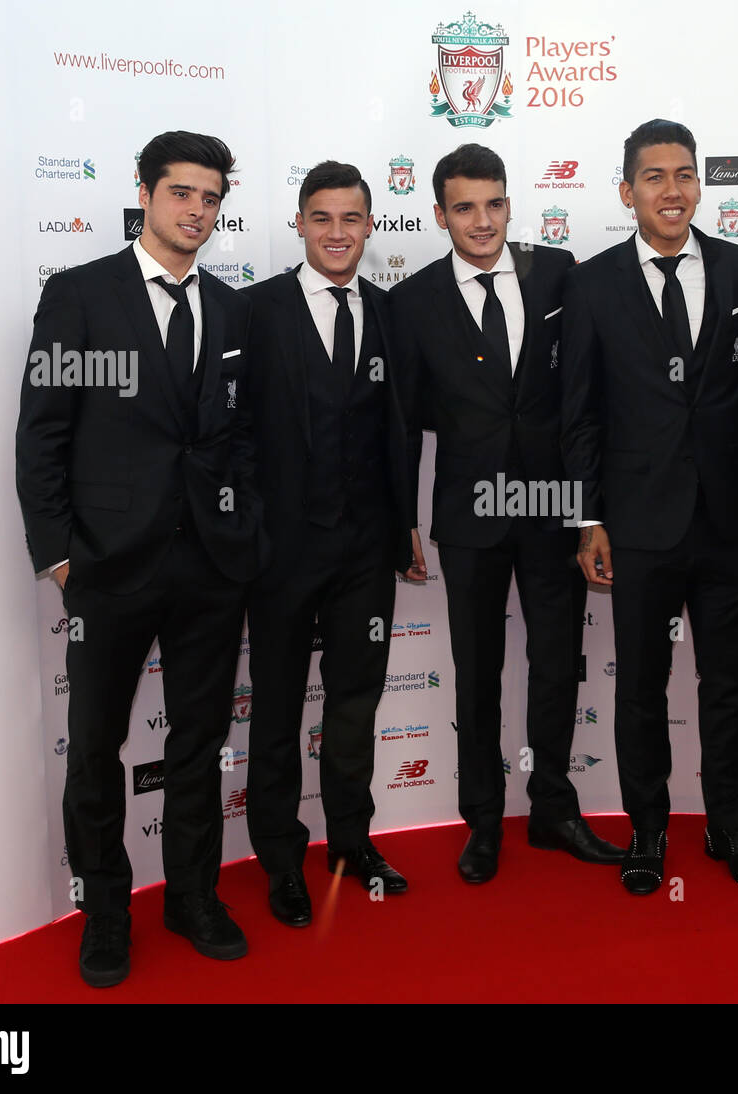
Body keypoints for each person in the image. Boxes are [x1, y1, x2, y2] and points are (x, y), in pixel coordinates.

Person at [16, 131, 263, 986]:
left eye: (211, 198)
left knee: (200, 742)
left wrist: (244, 538)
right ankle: (106, 912)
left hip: (210, 570)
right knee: (94, 748)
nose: (197, 211)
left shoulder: (232, 311)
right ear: (145, 193)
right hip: (109, 568)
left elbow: (244, 442)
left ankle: (193, 897)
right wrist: (58, 556)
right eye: (182, 193)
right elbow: (43, 433)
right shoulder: (81, 297)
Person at [390, 144, 622, 883]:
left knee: (557, 665)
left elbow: (590, 396)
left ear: (509, 204)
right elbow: (402, 419)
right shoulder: (411, 301)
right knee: (476, 673)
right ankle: (482, 821)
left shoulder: (558, 272)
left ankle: (553, 809)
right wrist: (406, 517)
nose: (481, 220)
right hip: (469, 513)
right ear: (439, 214)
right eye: (464, 207)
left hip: (554, 508)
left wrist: (592, 510)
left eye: (493, 203)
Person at [561, 120, 738, 896]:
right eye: (654, 176)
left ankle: (730, 829)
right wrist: (588, 518)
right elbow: (579, 412)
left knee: (728, 686)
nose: (673, 189)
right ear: (627, 191)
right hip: (639, 523)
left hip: (734, 523)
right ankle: (647, 829)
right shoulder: (590, 283)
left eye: (685, 174)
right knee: (639, 687)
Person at [241, 162, 424, 925]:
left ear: (371, 225)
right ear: (300, 224)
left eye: (351, 218)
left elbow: (397, 434)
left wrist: (403, 523)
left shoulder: (389, 314)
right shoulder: (252, 312)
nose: (338, 232)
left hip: (364, 554)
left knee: (353, 707)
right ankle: (281, 860)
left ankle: (351, 845)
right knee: (278, 711)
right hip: (278, 555)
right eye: (322, 218)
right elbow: (229, 436)